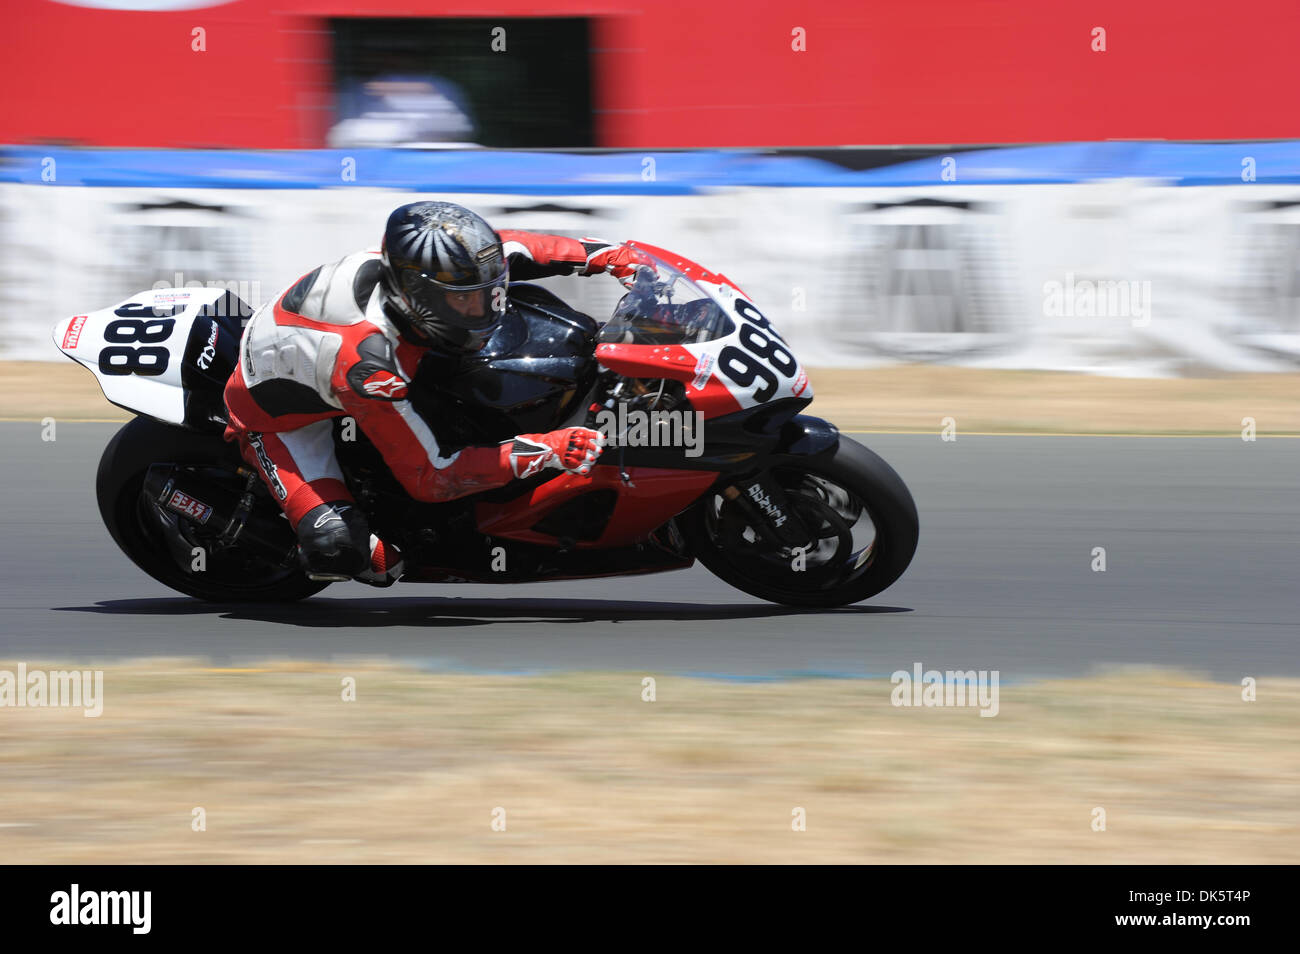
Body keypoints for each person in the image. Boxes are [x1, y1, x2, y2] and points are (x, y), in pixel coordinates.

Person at [222, 201, 646, 585]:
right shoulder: (371, 366)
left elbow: (518, 247)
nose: (485, 308)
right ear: (418, 299)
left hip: (322, 355)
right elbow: (433, 477)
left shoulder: (438, 272)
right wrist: (548, 449)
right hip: (278, 417)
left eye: (487, 293)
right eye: (466, 302)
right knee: (354, 554)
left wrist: (613, 257)